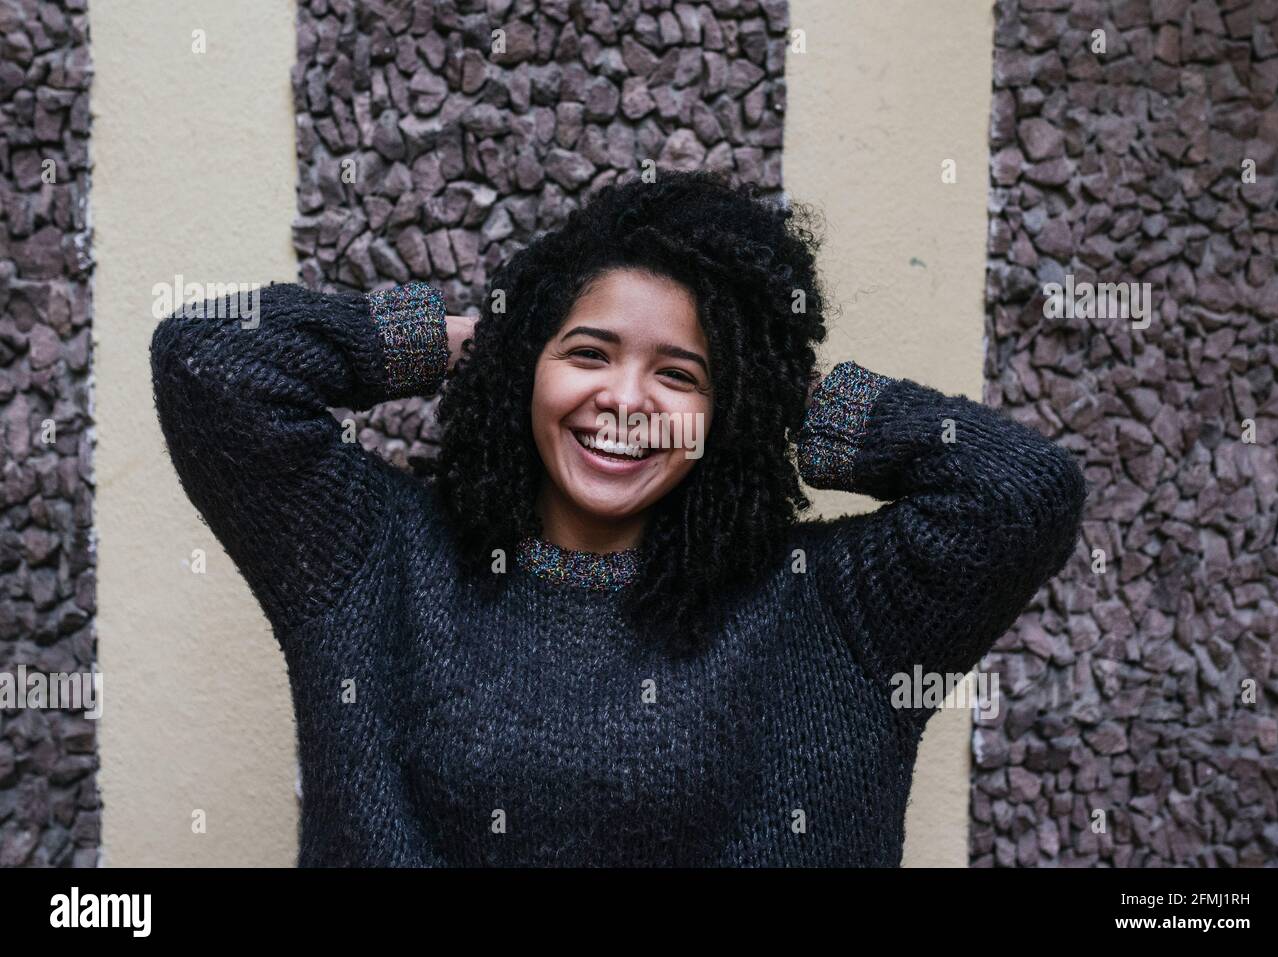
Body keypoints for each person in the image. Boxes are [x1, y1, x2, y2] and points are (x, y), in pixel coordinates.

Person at [150, 169, 1087, 867]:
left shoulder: (835, 608)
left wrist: (768, 396)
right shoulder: (374, 557)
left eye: (678, 372)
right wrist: (481, 341)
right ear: (528, 368)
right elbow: (207, 361)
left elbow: (1018, 491)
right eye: (588, 353)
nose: (626, 399)